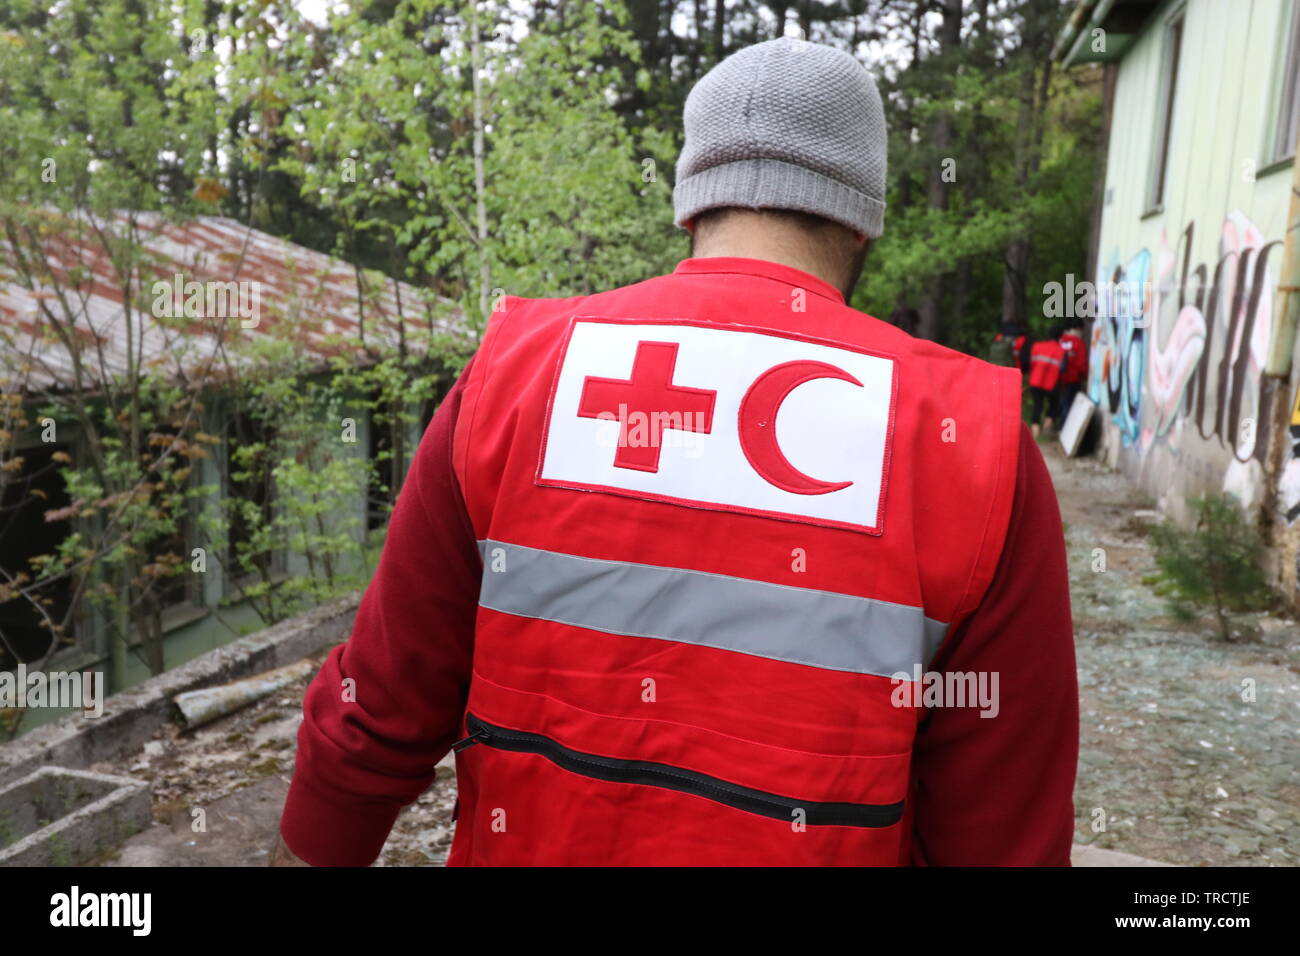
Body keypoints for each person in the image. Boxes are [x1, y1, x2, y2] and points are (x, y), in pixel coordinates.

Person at [273, 37, 1077, 867]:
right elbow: (1005, 832)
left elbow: (373, 713)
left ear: (692, 203)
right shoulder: (977, 442)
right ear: (865, 222)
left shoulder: (514, 373)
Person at [1027, 326, 1067, 438]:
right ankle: (1046, 429)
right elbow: (1063, 368)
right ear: (1060, 337)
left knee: (1037, 406)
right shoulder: (1061, 351)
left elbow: (1032, 363)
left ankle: (1035, 432)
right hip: (1051, 384)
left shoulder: (1037, 346)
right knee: (1054, 405)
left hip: (1035, 381)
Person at [1055, 323, 1088, 424]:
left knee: (1059, 403)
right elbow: (1082, 364)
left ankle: (1058, 425)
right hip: (1073, 379)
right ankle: (1065, 427)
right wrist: (1085, 376)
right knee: (1070, 404)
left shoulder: (1058, 340)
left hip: (1057, 379)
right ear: (1078, 329)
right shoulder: (1078, 342)